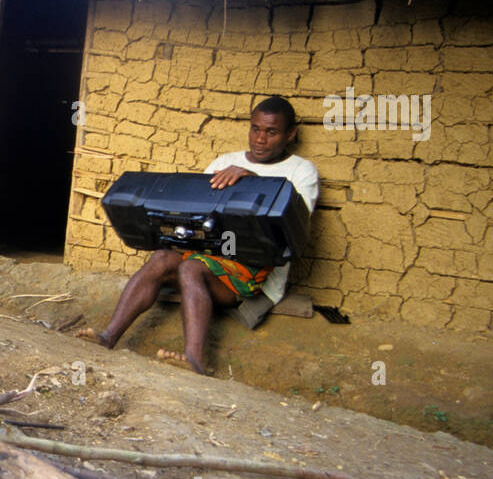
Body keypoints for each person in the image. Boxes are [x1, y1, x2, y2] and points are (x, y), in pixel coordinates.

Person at [78, 96, 318, 375]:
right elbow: (198, 215)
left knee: (192, 267)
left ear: (290, 134)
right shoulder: (225, 162)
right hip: (209, 253)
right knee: (163, 258)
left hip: (251, 268)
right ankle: (108, 337)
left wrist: (250, 177)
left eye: (271, 131)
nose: (260, 139)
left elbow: (290, 227)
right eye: (255, 129)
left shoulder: (301, 171)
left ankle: (194, 361)